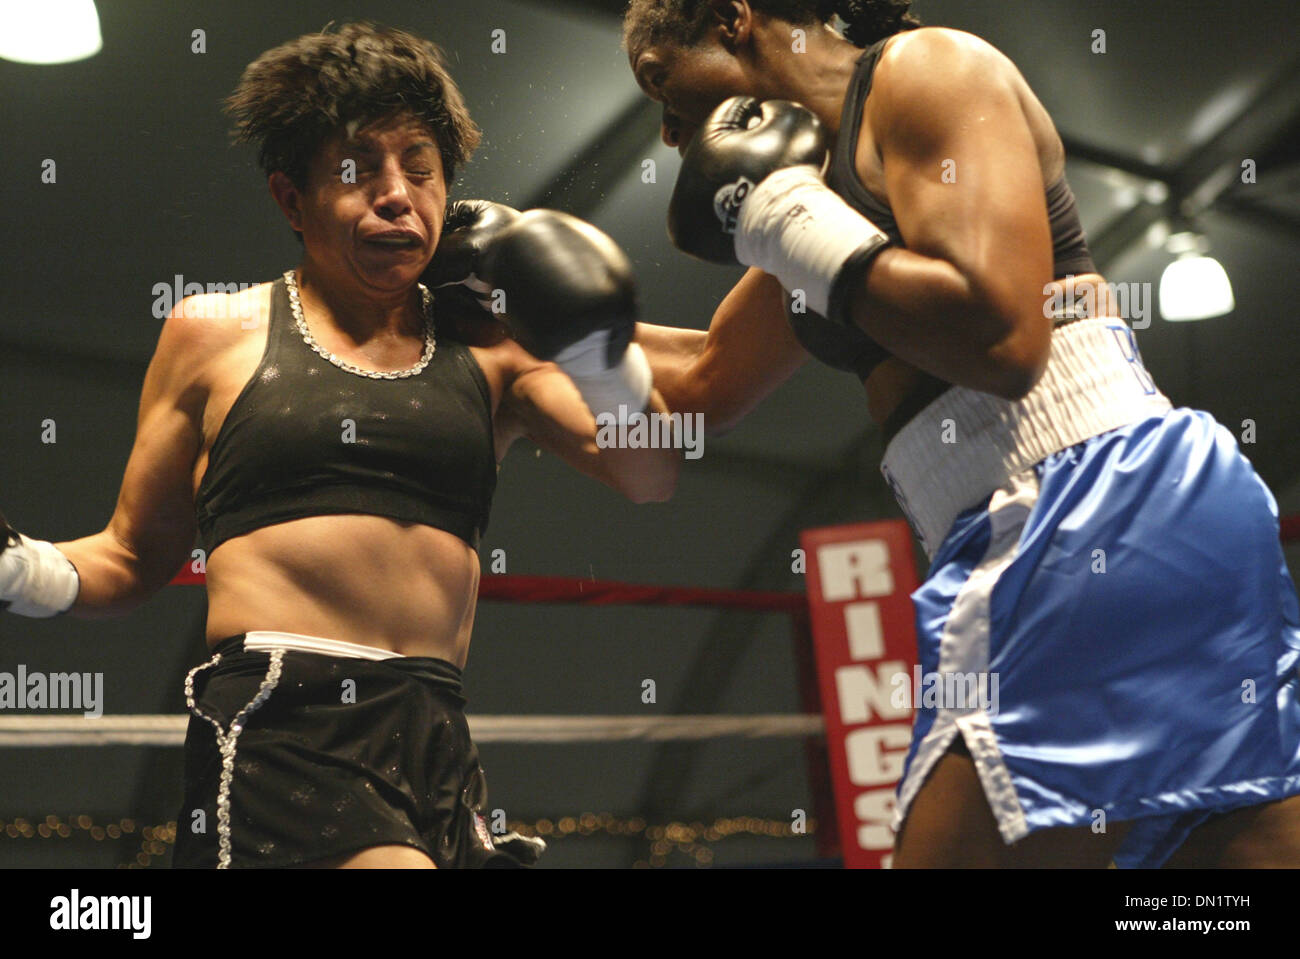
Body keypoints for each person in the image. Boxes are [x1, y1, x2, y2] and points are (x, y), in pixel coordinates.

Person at [623, 0, 1300, 867]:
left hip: (1080, 503)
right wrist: (517, 313)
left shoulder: (929, 71)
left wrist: (789, 219)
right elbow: (705, 383)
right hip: (1090, 517)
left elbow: (1002, 342)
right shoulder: (813, 193)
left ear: (732, 17)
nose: (668, 128)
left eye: (661, 81)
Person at [0, 22, 680, 869]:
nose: (397, 196)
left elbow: (651, 474)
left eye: (421, 170)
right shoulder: (215, 333)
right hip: (288, 725)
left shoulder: (490, 344)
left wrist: (602, 354)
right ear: (292, 200)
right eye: (359, 170)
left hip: (437, 741)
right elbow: (130, 556)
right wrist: (18, 570)